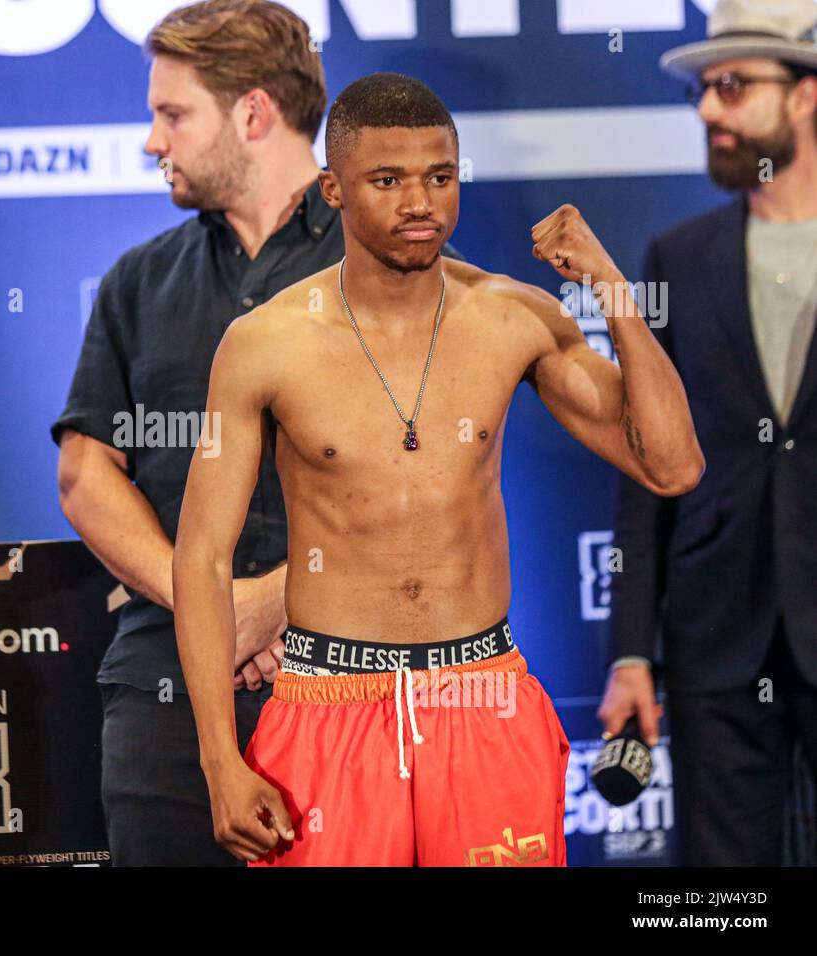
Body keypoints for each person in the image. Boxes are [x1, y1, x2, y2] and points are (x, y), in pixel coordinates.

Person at [173, 71, 704, 866]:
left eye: (440, 177)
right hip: (327, 706)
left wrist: (611, 287)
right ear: (334, 191)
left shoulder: (514, 317)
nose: (419, 201)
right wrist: (219, 757)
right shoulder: (266, 344)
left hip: (482, 693)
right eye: (387, 180)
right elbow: (204, 557)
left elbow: (671, 466)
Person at [52, 0, 460, 866]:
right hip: (164, 698)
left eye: (172, 114)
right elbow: (87, 477)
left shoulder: (392, 266)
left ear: (252, 112)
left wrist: (280, 596)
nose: (152, 140)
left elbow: (441, 471)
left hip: (361, 675)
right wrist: (207, 603)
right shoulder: (136, 283)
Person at [599, 0, 817, 865]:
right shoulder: (676, 257)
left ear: (804, 96)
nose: (708, 110)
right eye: (702, 90)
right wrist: (630, 655)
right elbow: (646, 468)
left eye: (732, 86)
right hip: (715, 636)